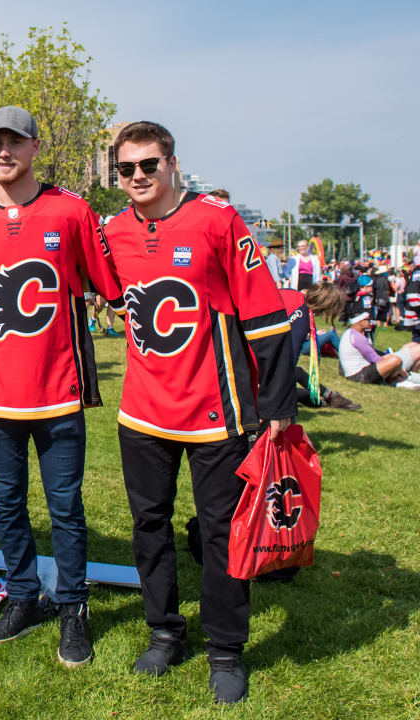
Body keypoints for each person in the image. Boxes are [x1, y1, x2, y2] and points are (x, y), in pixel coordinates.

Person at [100, 121, 295, 703]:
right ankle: (163, 631)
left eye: (149, 164)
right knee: (148, 529)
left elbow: (265, 312)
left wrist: (277, 402)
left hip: (217, 412)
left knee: (220, 535)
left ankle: (226, 649)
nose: (138, 176)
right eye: (127, 168)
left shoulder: (216, 219)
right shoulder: (113, 230)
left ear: (173, 164)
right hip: (142, 413)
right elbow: (112, 296)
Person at [0, 106, 122, 668]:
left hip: (59, 387)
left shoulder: (72, 210)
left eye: (14, 142)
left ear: (35, 147)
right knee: (7, 505)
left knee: (66, 507)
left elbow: (114, 283)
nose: (4, 152)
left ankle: (73, 606)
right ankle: (24, 596)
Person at [279, 283, 358, 410]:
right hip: (257, 363)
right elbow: (290, 359)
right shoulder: (302, 316)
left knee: (295, 373)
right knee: (287, 386)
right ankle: (325, 400)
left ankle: (330, 397)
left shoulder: (293, 294)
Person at [339, 297, 420, 389]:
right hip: (359, 375)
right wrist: (397, 367)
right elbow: (375, 358)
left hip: (357, 373)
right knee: (396, 360)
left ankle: (398, 379)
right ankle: (398, 379)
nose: (370, 321)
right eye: (367, 319)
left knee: (391, 358)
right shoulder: (358, 337)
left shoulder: (350, 333)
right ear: (360, 322)